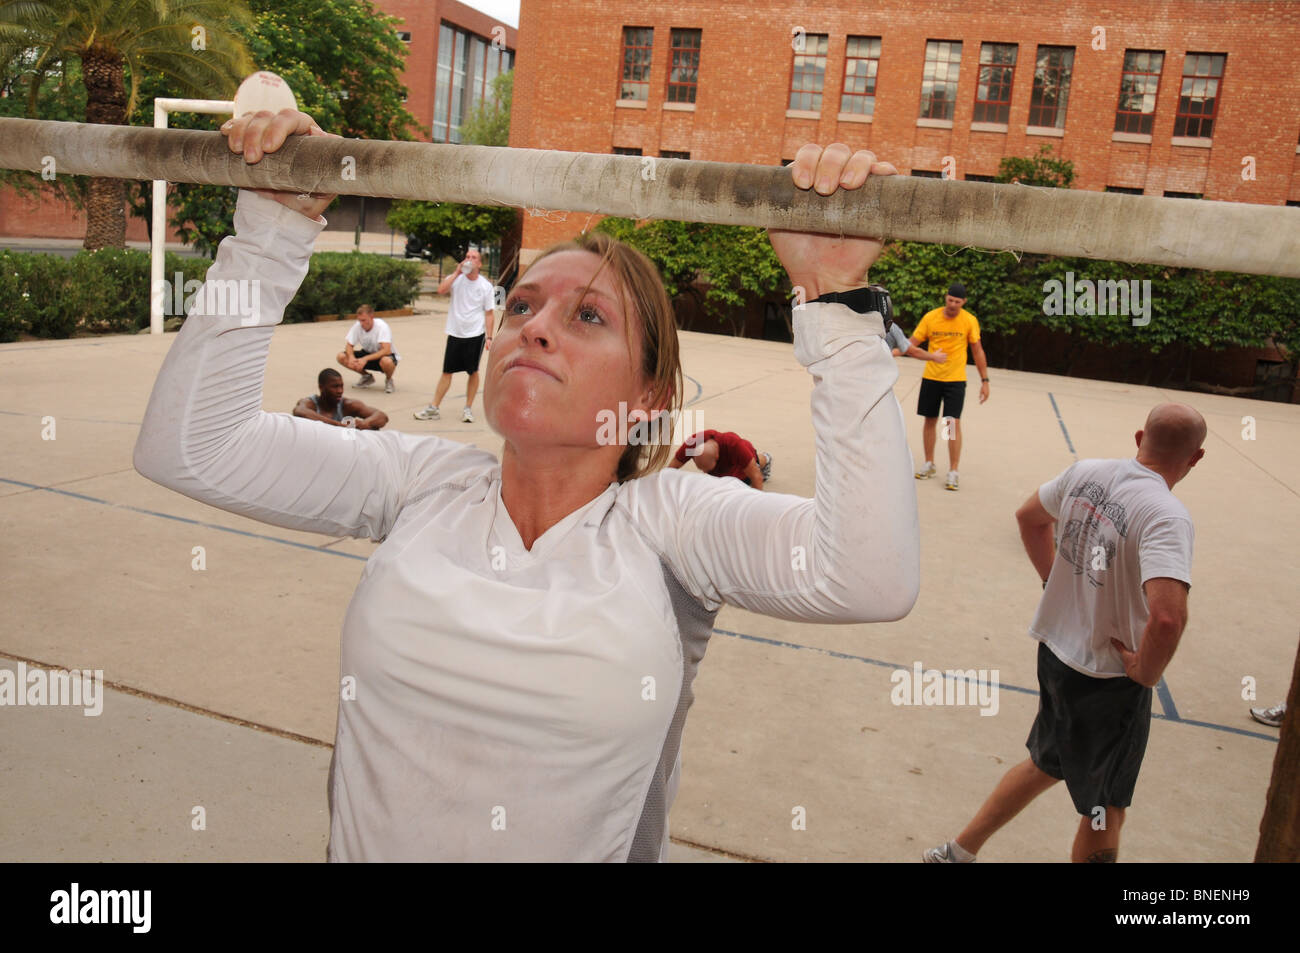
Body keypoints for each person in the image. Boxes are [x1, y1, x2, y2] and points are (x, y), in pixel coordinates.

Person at [134, 110, 918, 862]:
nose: (533, 327)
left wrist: (837, 300)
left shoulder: (669, 526)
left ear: (648, 399)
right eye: (522, 306)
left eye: (587, 318)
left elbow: (865, 576)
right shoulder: (421, 482)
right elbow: (193, 446)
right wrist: (272, 229)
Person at [924, 403, 1206, 864]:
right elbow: (1168, 618)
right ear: (1195, 458)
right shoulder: (1165, 516)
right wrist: (1145, 671)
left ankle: (955, 853)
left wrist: (1052, 581)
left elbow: (1029, 518)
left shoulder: (1086, 472)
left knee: (1046, 762)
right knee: (1107, 804)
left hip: (1056, 653)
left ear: (1140, 438)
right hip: (1107, 678)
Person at [909, 283, 989, 490]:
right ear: (945, 298)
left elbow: (977, 351)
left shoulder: (969, 321)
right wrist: (893, 352)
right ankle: (929, 463)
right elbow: (912, 343)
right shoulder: (931, 318)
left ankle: (953, 470)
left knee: (950, 424)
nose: (952, 304)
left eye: (957, 301)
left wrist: (985, 381)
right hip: (931, 378)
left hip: (954, 380)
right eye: (950, 300)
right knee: (930, 420)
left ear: (964, 302)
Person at [413, 249, 496, 423]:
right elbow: (441, 290)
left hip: (475, 334)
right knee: (447, 371)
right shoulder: (456, 279)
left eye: (473, 258)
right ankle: (434, 408)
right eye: (467, 257)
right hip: (455, 332)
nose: (469, 260)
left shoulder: (485, 286)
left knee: (472, 371)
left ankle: (467, 409)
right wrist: (457, 272)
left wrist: (489, 337)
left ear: (479, 264)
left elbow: (489, 313)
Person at [668, 430, 773, 490]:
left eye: (707, 469)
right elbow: (671, 468)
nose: (704, 472)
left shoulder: (734, 446)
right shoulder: (693, 443)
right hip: (721, 473)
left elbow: (756, 477)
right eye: (701, 468)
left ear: (717, 456)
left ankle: (766, 459)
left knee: (754, 465)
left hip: (740, 472)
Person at [294, 368, 389, 430]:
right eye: (335, 387)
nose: (340, 391)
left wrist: (364, 424)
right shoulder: (310, 403)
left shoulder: (348, 404)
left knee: (373, 428)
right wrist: (339, 426)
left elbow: (381, 416)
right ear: (321, 387)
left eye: (341, 386)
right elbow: (300, 411)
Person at [337, 304, 400, 394]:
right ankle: (366, 377)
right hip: (367, 353)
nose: (361, 323)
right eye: (359, 320)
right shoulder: (357, 326)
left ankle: (389, 380)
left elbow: (386, 350)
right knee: (341, 356)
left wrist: (365, 359)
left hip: (383, 356)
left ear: (371, 317)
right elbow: (349, 345)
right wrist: (351, 357)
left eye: (364, 320)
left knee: (386, 361)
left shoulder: (382, 326)